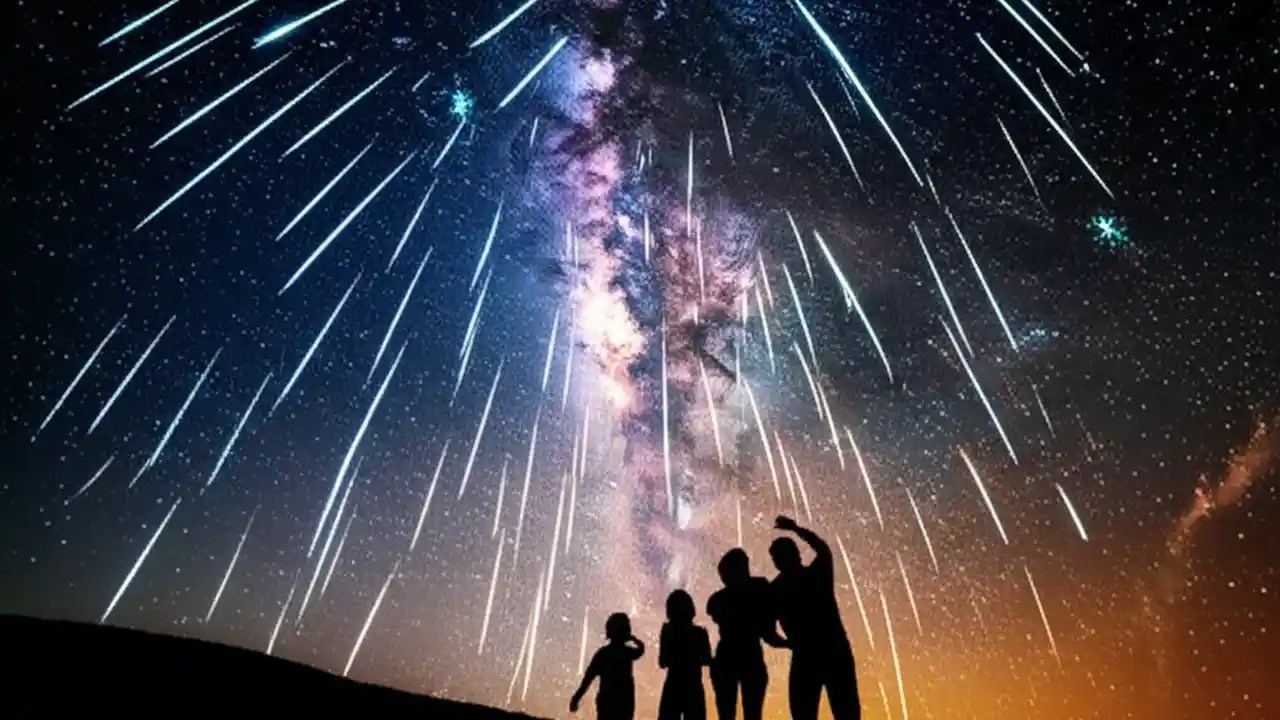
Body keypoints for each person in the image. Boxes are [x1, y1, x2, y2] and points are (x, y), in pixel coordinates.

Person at [768, 516, 861, 720]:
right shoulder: (817, 573)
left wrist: (786, 643)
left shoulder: (776, 590)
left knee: (806, 713)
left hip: (810, 654)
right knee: (846, 712)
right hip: (832, 650)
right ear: (797, 555)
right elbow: (823, 548)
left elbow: (766, 631)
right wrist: (796, 529)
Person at [706, 548, 787, 720]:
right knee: (748, 712)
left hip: (734, 658)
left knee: (734, 712)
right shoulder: (759, 589)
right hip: (745, 657)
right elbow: (768, 633)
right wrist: (788, 643)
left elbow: (768, 632)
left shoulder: (722, 598)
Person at [571, 612, 647, 720]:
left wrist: (577, 697)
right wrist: (633, 639)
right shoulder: (627, 653)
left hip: (607, 703)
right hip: (624, 704)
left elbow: (588, 678)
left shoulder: (603, 654)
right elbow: (641, 649)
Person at [657, 589, 713, 720]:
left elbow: (662, 662)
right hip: (693, 686)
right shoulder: (700, 633)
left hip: (674, 686)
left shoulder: (668, 631)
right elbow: (707, 659)